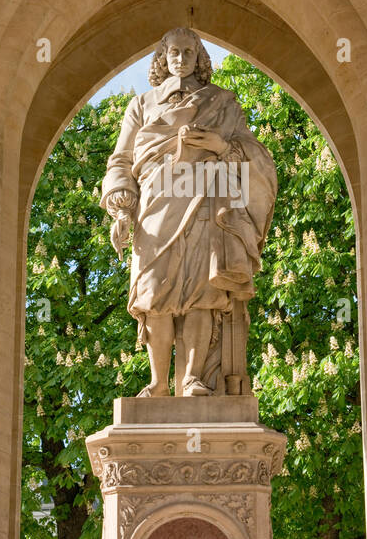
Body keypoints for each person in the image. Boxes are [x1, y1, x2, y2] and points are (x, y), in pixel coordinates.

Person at [101, 28, 277, 396]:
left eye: (188, 52)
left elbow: (253, 154)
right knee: (153, 295)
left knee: (201, 292)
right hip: (154, 209)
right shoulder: (143, 105)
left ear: (200, 57)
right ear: (163, 58)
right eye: (174, 52)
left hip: (205, 203)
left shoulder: (222, 102)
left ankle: (194, 378)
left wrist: (221, 145)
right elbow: (120, 160)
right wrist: (120, 206)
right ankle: (157, 384)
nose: (181, 59)